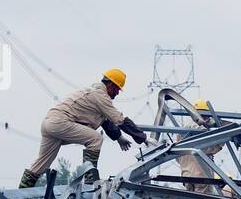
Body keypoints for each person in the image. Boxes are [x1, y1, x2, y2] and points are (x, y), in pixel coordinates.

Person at [17, 68, 148, 190]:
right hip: (61, 122)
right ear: (110, 85)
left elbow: (105, 121)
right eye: (117, 89)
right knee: (95, 139)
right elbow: (120, 119)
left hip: (49, 123)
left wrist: (118, 137)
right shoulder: (101, 95)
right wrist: (144, 138)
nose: (118, 93)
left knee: (42, 162)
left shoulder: (93, 92)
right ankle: (89, 180)